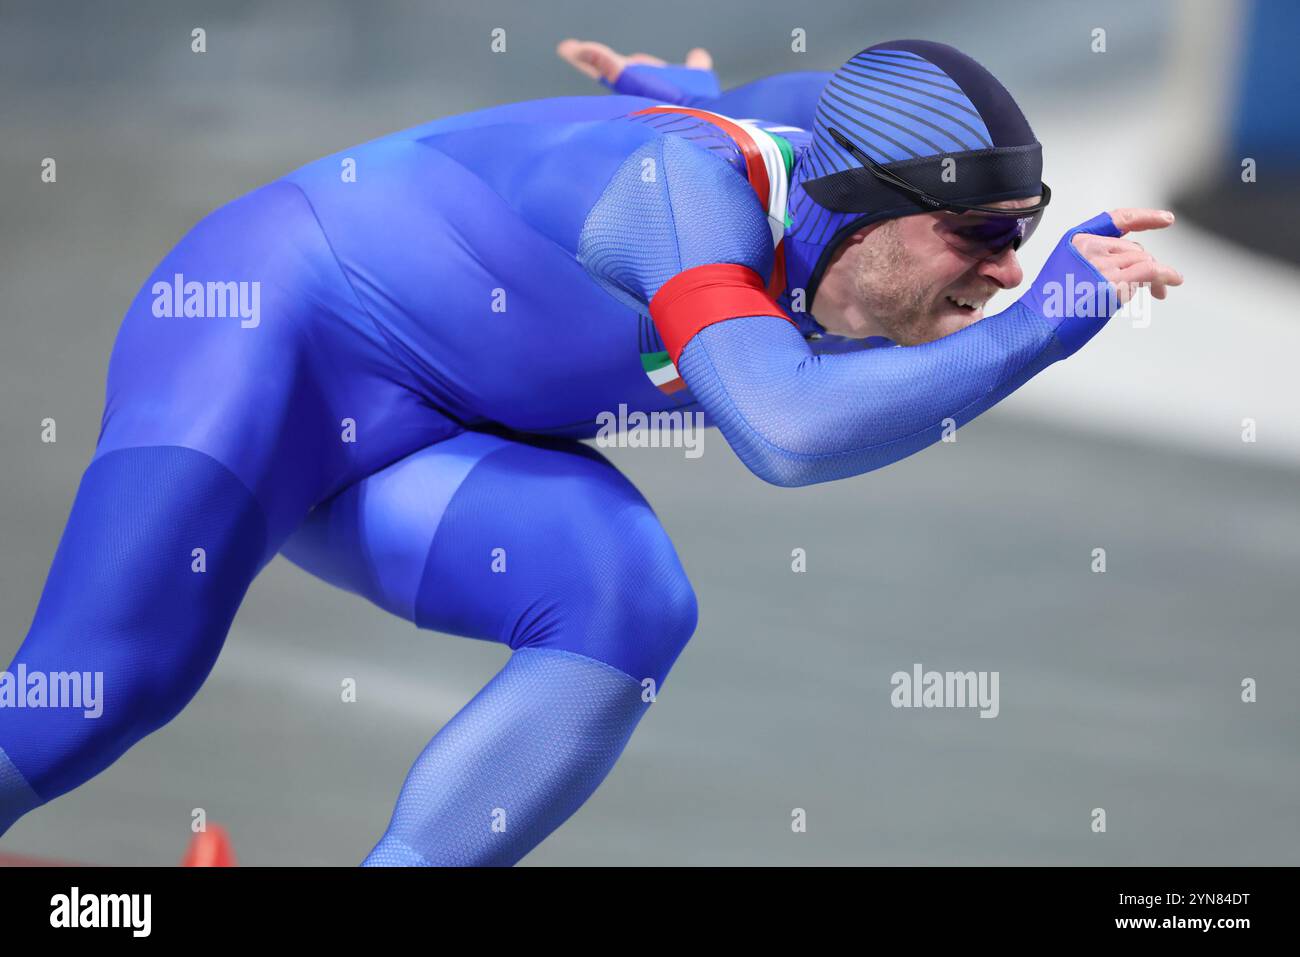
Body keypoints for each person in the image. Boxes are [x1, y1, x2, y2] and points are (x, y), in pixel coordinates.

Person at [0, 39, 1182, 865]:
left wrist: (671, 79)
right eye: (977, 232)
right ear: (862, 210)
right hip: (266, 330)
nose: (1008, 266)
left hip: (444, 417)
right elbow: (786, 428)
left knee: (623, 601)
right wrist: (1041, 332)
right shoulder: (677, 198)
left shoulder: (836, 167)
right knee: (102, 687)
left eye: (1021, 234)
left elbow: (791, 101)